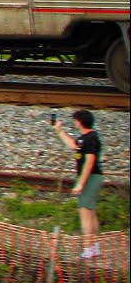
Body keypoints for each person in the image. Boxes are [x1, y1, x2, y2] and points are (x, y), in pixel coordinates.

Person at [53, 109, 103, 258]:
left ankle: (88, 248)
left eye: (75, 120)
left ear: (80, 121)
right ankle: (94, 246)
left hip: (90, 177)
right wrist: (59, 131)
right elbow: (74, 146)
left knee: (85, 212)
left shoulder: (91, 138)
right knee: (91, 211)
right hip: (92, 177)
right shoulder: (86, 138)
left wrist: (80, 183)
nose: (74, 122)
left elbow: (89, 162)